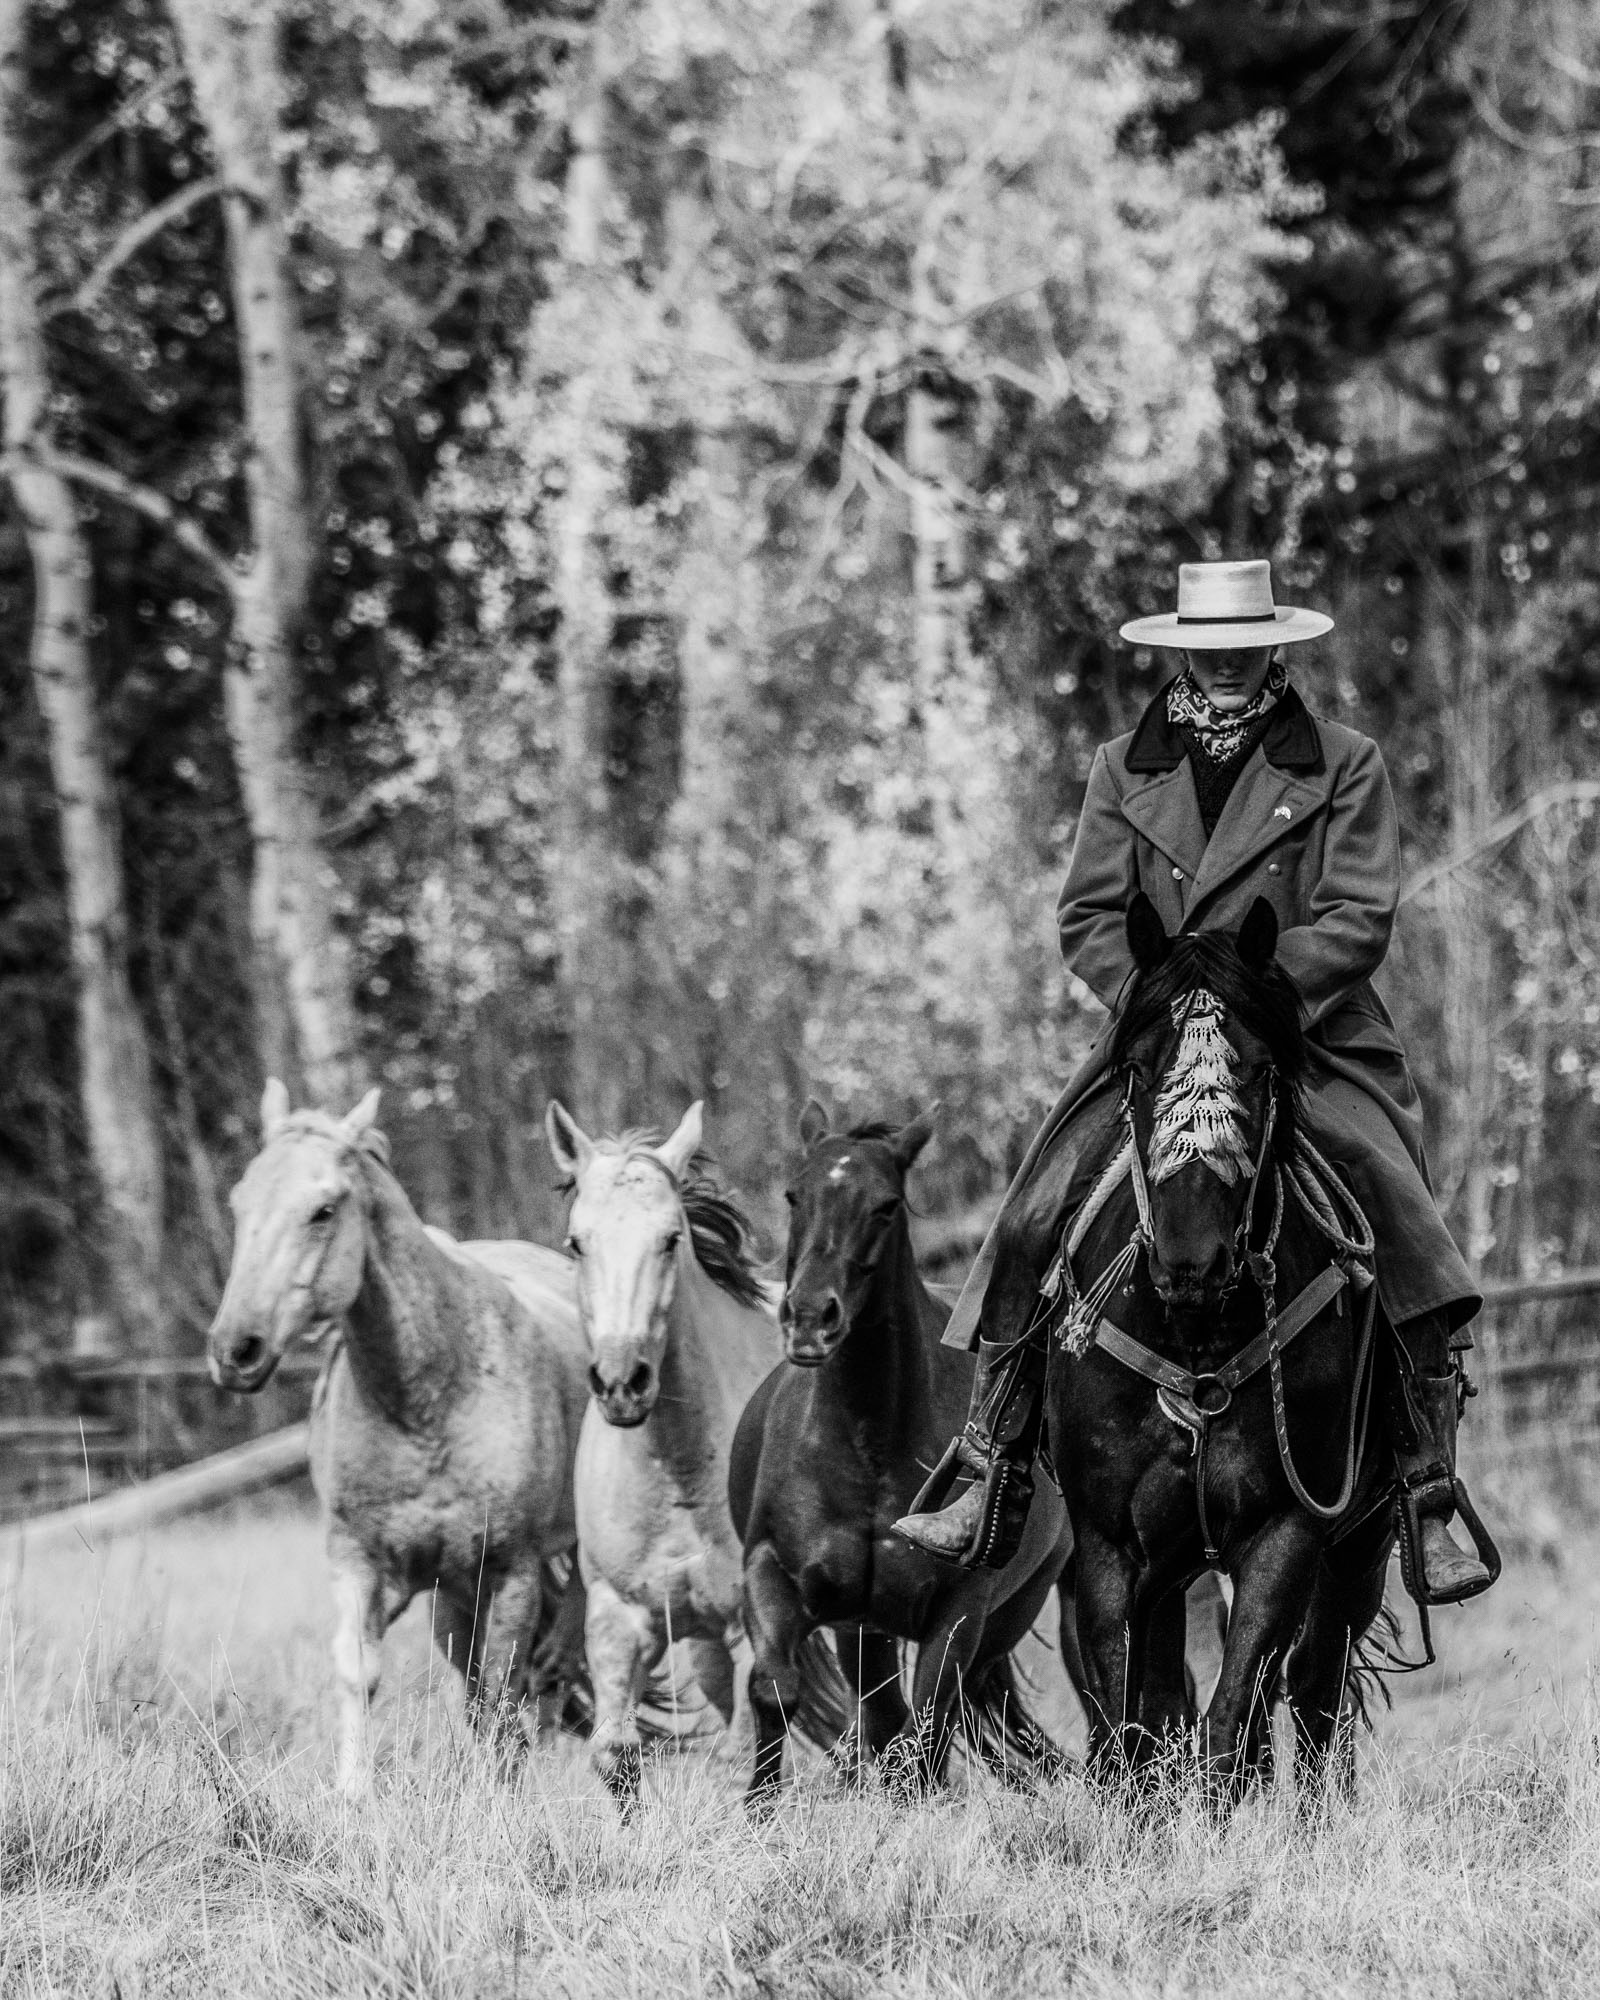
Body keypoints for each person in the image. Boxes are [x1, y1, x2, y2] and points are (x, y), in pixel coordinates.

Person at [894, 559, 1495, 1606]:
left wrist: (1251, 998)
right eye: (1204, 646)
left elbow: (1358, 914)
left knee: (1390, 1195)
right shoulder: (1119, 767)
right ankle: (991, 1456)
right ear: (1177, 647)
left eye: (1241, 645)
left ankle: (1424, 1481)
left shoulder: (1345, 762)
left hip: (1303, 1029)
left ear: (1273, 645)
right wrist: (1170, 1005)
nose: (1222, 663)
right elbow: (1087, 914)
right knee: (1039, 1203)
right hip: (1159, 1029)